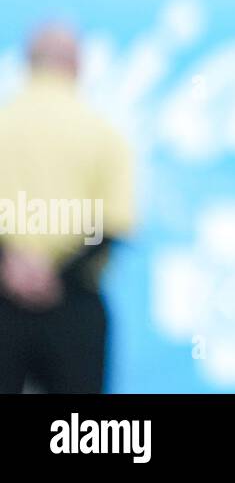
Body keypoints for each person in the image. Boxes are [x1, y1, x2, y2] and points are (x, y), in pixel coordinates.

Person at [0, 23, 134, 393]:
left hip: (3, 300)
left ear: (27, 64)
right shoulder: (104, 133)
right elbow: (113, 226)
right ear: (78, 66)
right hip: (73, 302)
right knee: (79, 434)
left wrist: (11, 263)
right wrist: (54, 274)